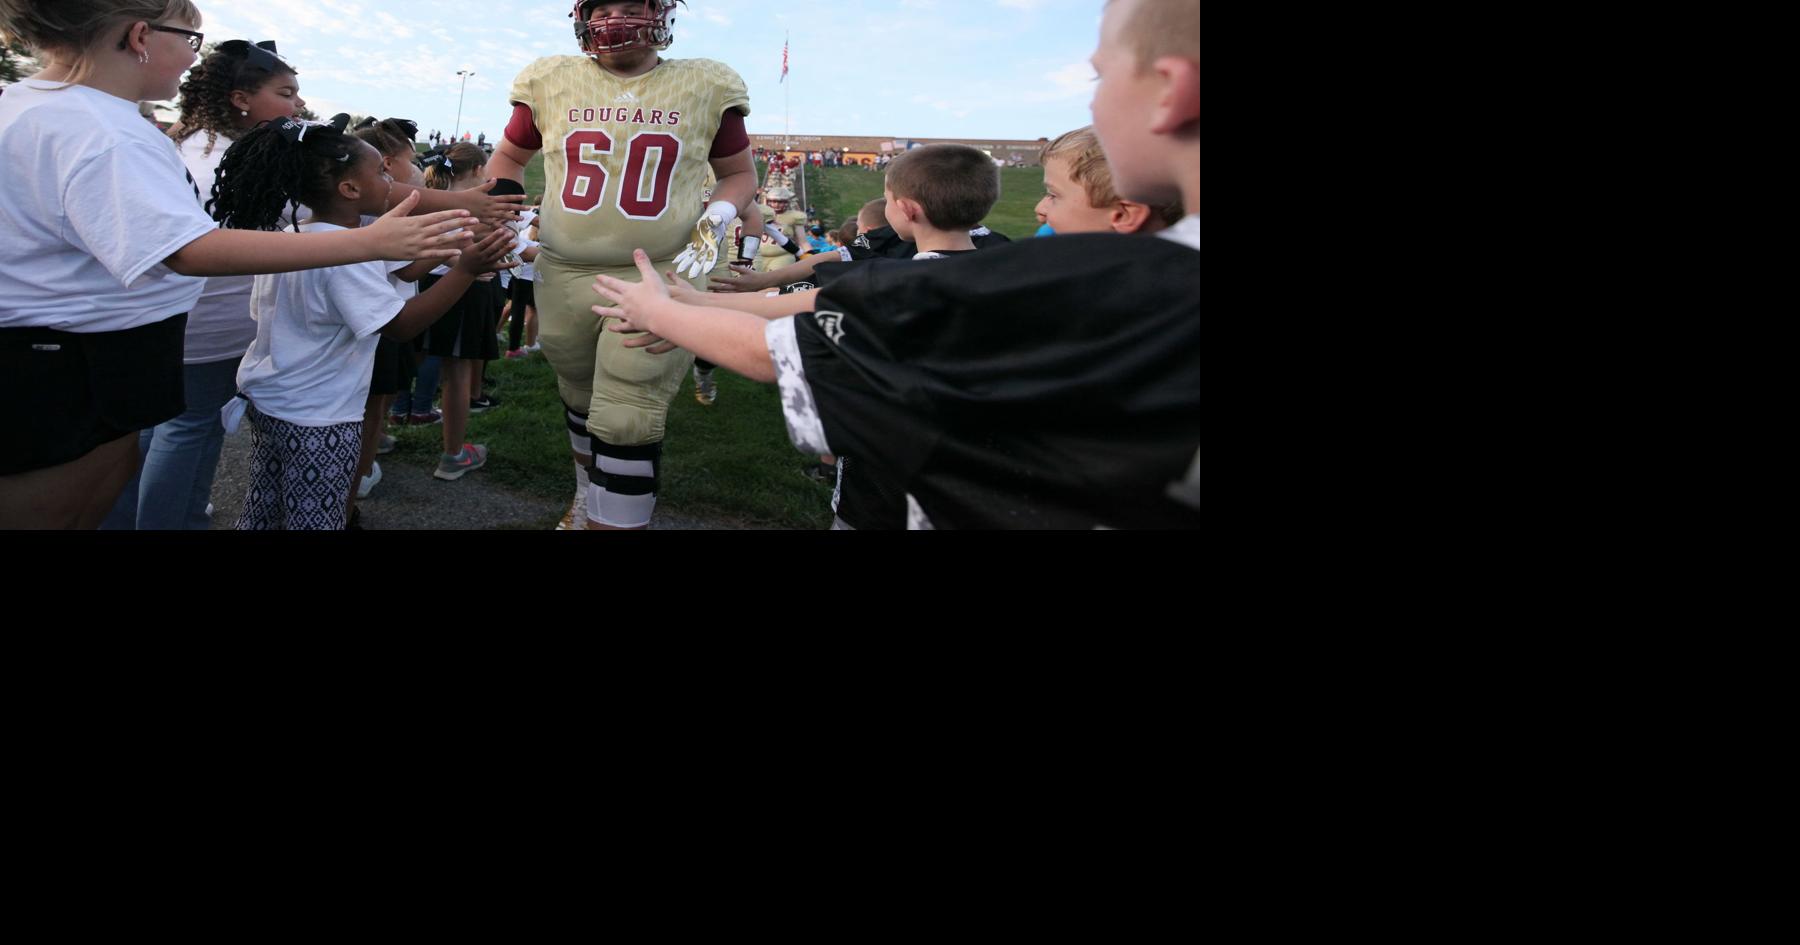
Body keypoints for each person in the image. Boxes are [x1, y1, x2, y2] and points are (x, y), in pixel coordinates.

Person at [589, 0, 1201, 528]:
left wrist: (662, 310)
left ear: (1169, 92)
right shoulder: (1062, 273)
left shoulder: (1045, 285)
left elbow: (778, 345)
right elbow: (824, 296)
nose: (1041, 205)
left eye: (1100, 77)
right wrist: (696, 299)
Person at [0, 0, 476, 530]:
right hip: (70, 362)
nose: (192, 60)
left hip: (72, 353)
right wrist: (367, 243)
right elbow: (188, 249)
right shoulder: (100, 130)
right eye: (190, 40)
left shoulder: (41, 106)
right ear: (139, 37)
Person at [483, 0, 756, 530]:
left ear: (663, 14)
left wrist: (717, 217)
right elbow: (509, 158)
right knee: (580, 397)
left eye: (631, 6)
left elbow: (738, 174)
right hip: (564, 270)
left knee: (628, 410)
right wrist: (502, 213)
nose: (615, 19)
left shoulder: (704, 83)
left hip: (655, 269)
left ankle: (613, 518)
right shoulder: (550, 79)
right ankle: (587, 495)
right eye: (603, 7)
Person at [210, 116, 514, 528]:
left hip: (272, 400)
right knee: (316, 518)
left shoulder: (302, 238)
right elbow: (401, 325)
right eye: (380, 174)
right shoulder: (344, 256)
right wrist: (465, 271)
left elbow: (401, 269)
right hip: (317, 416)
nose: (391, 182)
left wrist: (451, 245)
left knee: (266, 508)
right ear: (350, 189)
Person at [101, 37, 305, 530]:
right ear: (241, 99)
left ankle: (139, 516)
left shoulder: (183, 144)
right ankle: (172, 519)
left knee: (156, 427)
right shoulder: (236, 160)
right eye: (286, 93)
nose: (298, 104)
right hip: (209, 323)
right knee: (190, 428)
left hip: (165, 315)